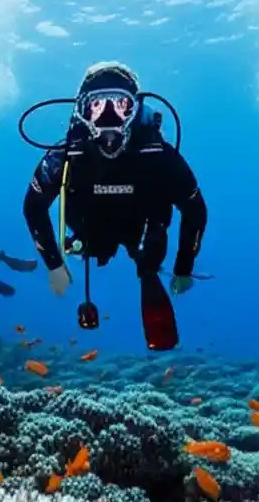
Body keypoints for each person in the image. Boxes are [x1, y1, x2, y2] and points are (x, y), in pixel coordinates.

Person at [21, 61, 207, 351]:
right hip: (87, 231)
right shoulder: (66, 155)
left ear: (135, 111)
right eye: (96, 106)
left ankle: (148, 273)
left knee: (150, 260)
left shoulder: (158, 155)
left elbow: (195, 209)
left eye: (121, 105)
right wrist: (54, 264)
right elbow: (33, 206)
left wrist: (184, 266)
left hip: (141, 228)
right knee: (99, 247)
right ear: (82, 112)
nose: (109, 117)